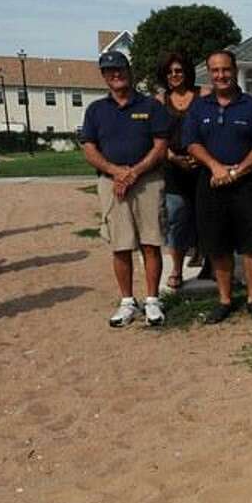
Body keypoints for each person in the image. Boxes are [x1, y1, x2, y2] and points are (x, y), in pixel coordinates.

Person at [183, 49, 252, 323]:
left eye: (225, 69)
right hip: (211, 183)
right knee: (218, 244)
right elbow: (191, 143)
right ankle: (225, 300)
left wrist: (236, 172)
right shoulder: (199, 107)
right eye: (215, 70)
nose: (221, 75)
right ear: (209, 73)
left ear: (234, 71)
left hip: (249, 184)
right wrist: (215, 167)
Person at [80, 50, 172, 327]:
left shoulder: (151, 106)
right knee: (120, 245)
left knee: (150, 242)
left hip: (148, 181)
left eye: (120, 69)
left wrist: (134, 173)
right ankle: (127, 301)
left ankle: (152, 300)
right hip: (112, 184)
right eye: (109, 71)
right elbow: (89, 148)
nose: (116, 74)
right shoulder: (96, 110)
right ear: (104, 76)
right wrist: (116, 172)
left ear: (129, 71)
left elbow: (161, 146)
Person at [154, 51, 200, 292]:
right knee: (176, 217)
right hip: (172, 167)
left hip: (201, 164)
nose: (174, 75)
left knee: (206, 216)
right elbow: (153, 135)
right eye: (170, 71)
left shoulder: (203, 96)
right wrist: (172, 156)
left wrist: (200, 155)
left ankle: (210, 263)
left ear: (187, 72)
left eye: (179, 70)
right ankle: (177, 269)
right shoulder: (159, 101)